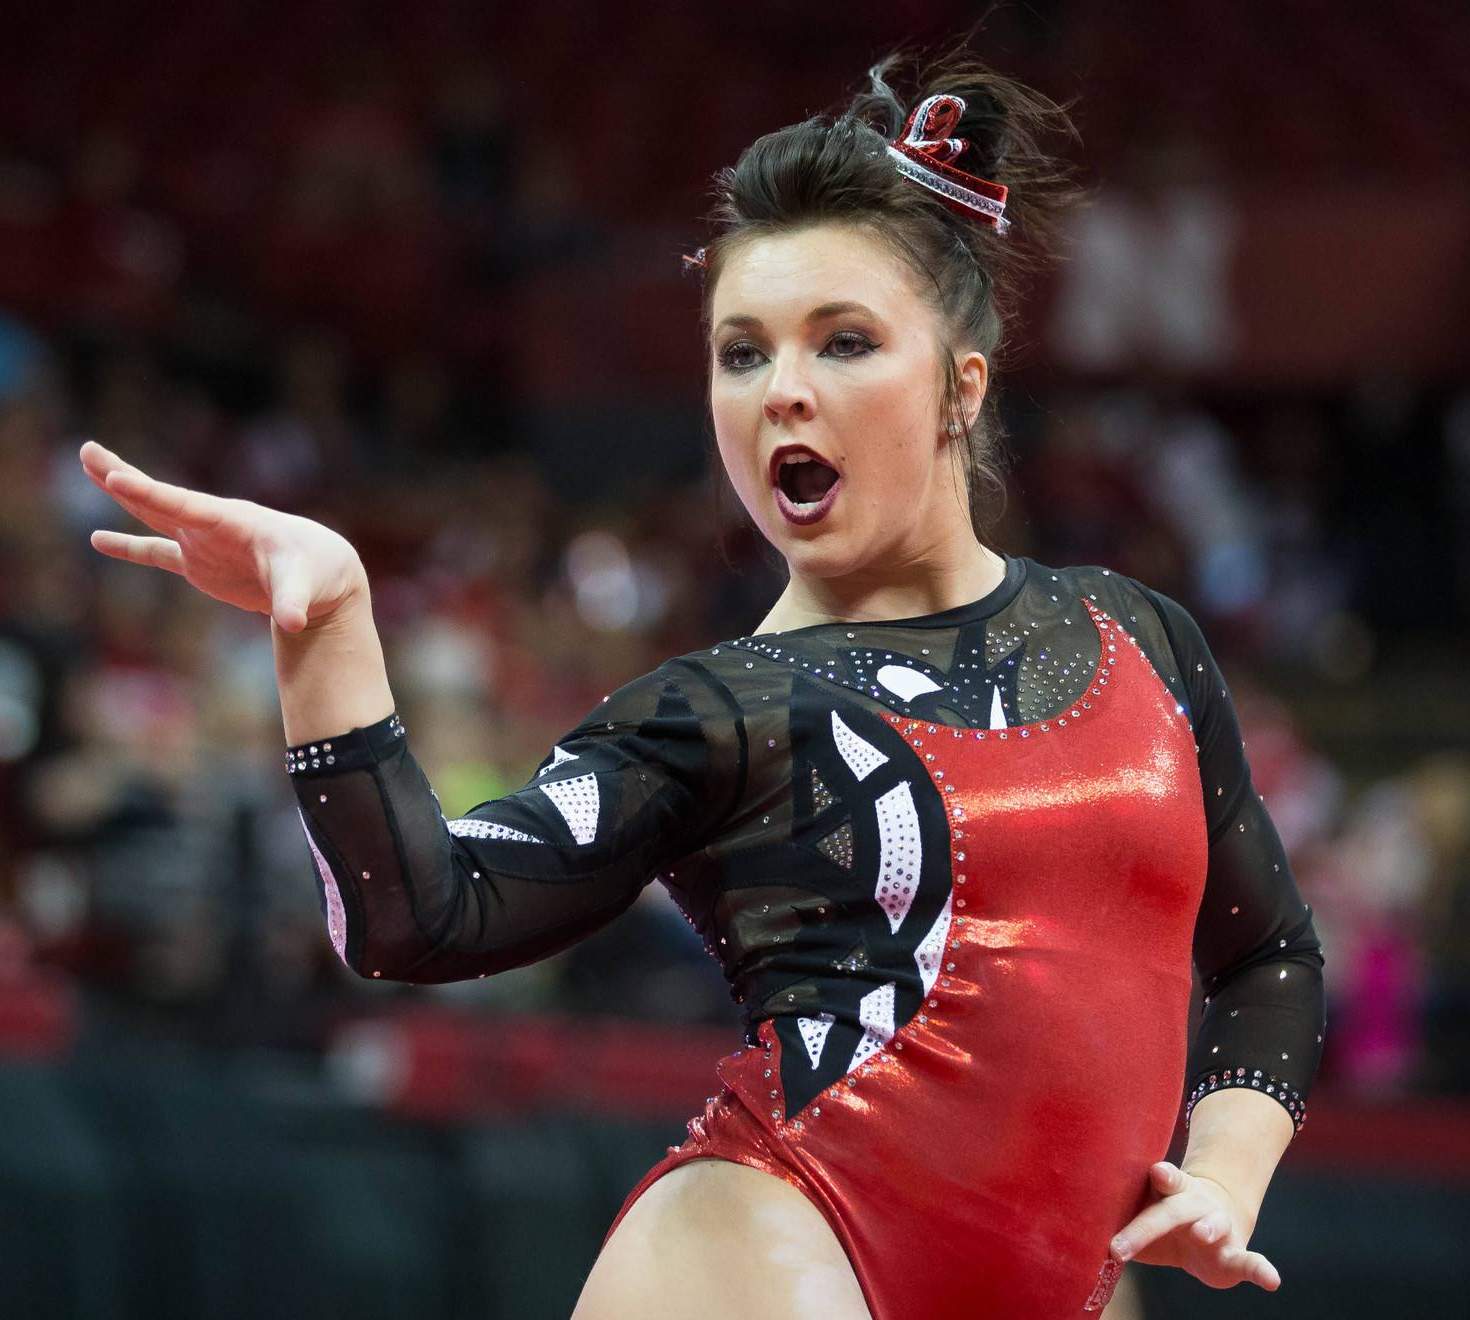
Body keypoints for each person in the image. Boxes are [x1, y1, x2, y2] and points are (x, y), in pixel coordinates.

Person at [78, 51, 1324, 1320]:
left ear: (962, 384)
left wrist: (1224, 1178)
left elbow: (1269, 952)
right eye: (742, 352)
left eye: (843, 342)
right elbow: (417, 918)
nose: (782, 388)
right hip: (770, 1249)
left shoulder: (1142, 639)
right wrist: (331, 628)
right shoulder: (720, 712)